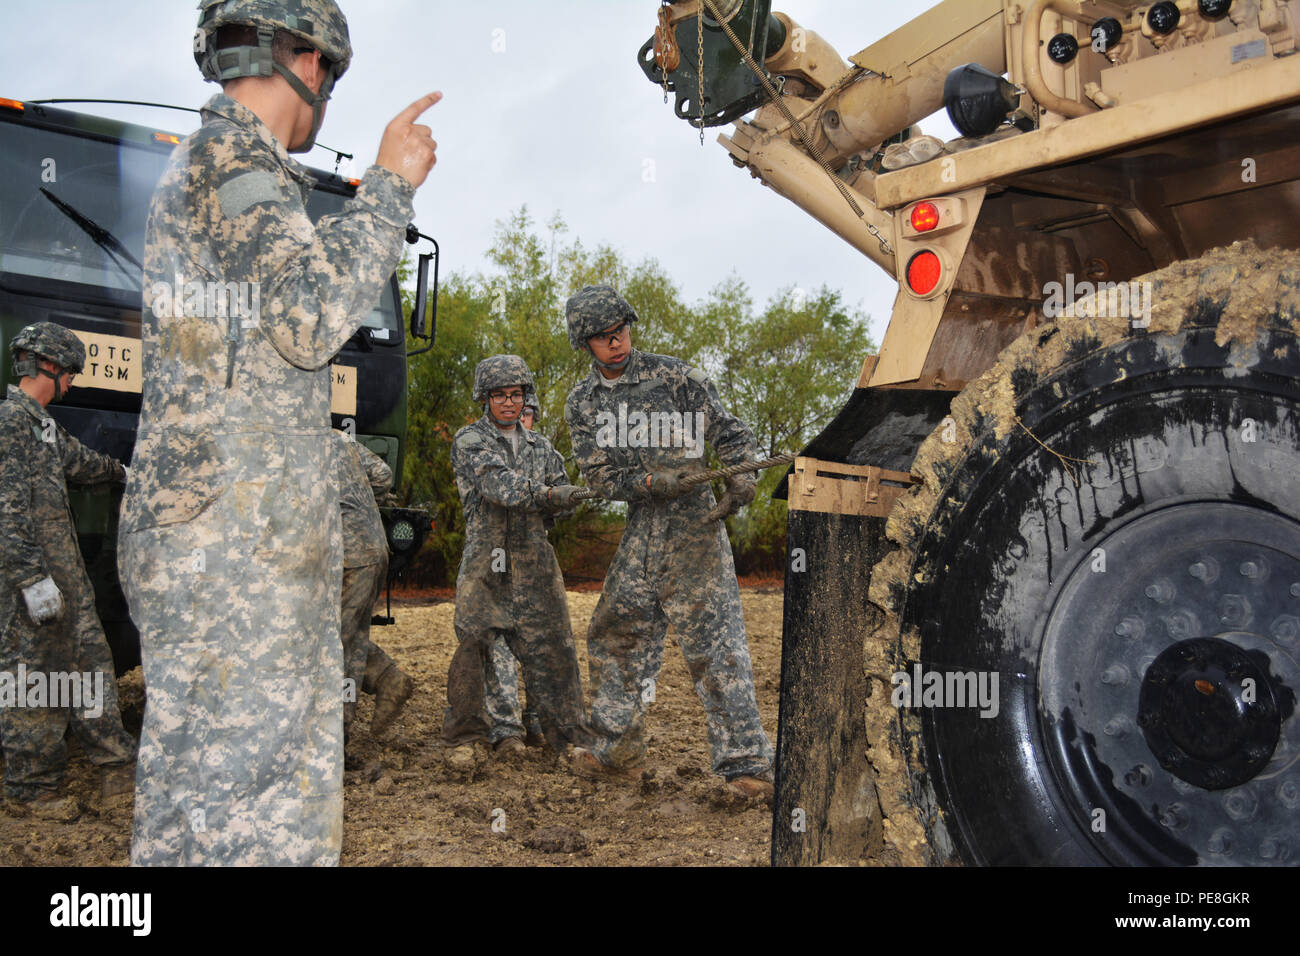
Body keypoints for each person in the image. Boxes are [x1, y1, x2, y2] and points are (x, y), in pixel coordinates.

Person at [118, 0, 440, 865]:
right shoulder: (231, 159)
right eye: (330, 73)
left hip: (226, 536)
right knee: (249, 806)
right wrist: (389, 188)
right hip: (233, 549)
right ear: (306, 57)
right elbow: (307, 318)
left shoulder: (216, 160)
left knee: (204, 802)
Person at [562, 285, 774, 798]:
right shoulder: (583, 403)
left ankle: (747, 767)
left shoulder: (678, 377)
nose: (616, 343)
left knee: (715, 644)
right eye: (603, 338)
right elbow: (596, 477)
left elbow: (733, 435)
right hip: (642, 525)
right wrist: (650, 485)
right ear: (584, 343)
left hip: (695, 525)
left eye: (621, 331)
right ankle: (617, 754)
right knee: (615, 633)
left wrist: (742, 480)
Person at [0, 322, 137, 819]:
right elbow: (7, 511)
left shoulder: (43, 427)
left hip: (67, 586)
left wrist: (127, 474)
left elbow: (83, 463)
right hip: (31, 587)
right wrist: (30, 579)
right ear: (50, 367)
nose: (74, 383)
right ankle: (34, 791)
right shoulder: (10, 423)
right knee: (31, 681)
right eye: (72, 373)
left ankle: (118, 768)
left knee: (91, 665)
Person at [442, 355, 591, 756]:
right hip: (486, 562)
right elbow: (498, 486)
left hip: (534, 562)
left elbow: (565, 491)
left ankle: (564, 736)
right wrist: (546, 496)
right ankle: (475, 736)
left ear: (526, 396)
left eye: (516, 394)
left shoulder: (541, 446)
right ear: (484, 398)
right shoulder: (469, 440)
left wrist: (571, 496)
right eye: (499, 396)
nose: (509, 403)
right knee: (478, 643)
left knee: (553, 647)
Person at [333, 431, 413, 754]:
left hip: (346, 556)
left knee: (332, 644)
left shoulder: (296, 444)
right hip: (373, 550)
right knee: (350, 641)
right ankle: (342, 733)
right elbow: (383, 475)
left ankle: (334, 734)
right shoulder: (340, 438)